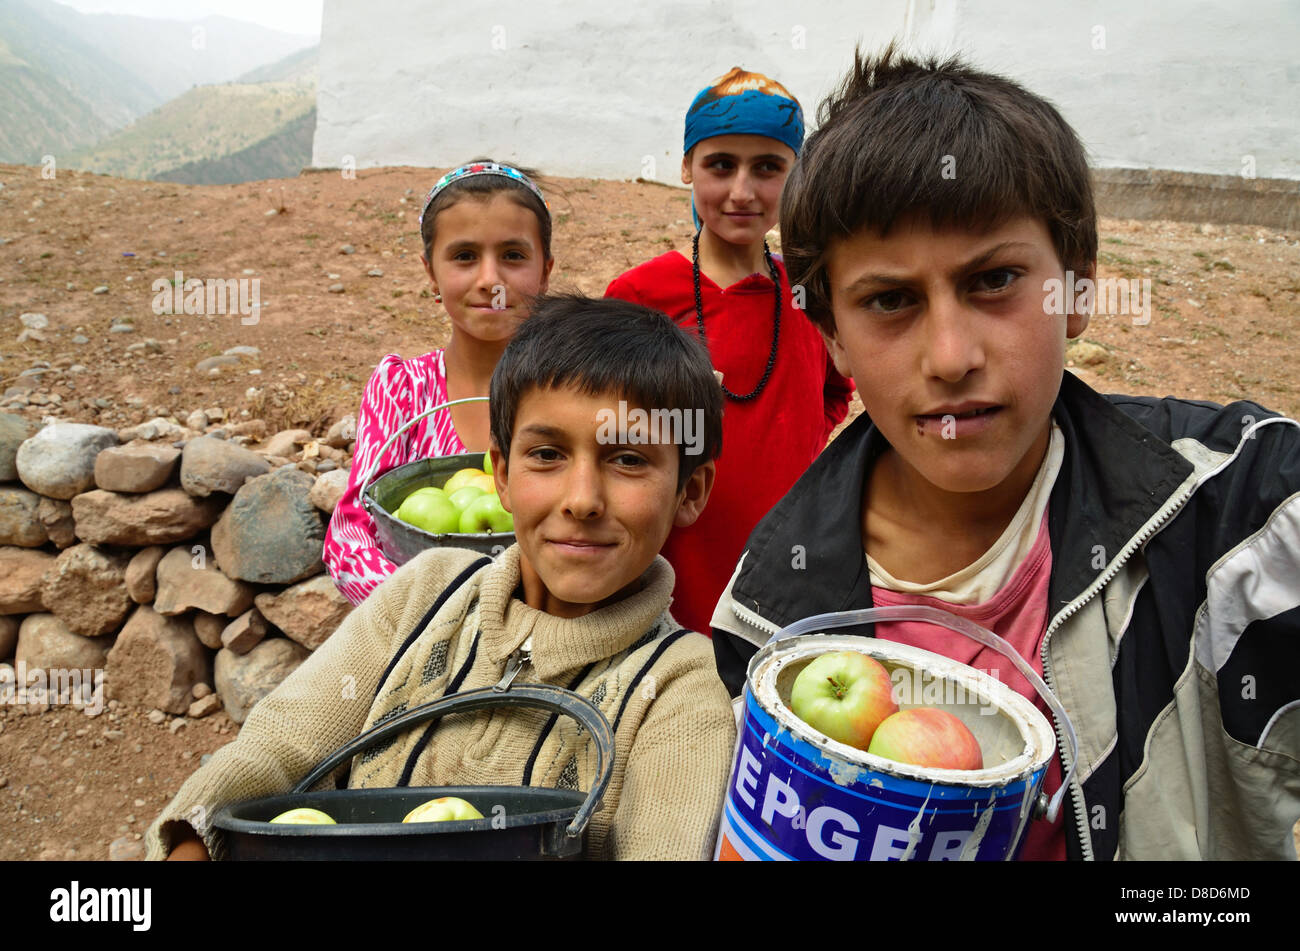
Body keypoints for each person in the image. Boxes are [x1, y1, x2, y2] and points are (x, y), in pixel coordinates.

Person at [709, 44, 1300, 860]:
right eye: (889, 300)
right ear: (834, 339)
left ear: (1078, 288)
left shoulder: (1233, 514)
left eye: (992, 281)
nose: (950, 355)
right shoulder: (771, 613)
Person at [149, 295, 735, 862]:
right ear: (500, 474)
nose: (582, 500)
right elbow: (281, 745)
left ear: (689, 491)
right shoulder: (428, 590)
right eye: (548, 455)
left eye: (628, 459)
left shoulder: (681, 691)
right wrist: (192, 842)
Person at [605, 67, 854, 635]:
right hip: (679, 553)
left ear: (795, 175)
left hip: (784, 550)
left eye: (768, 167)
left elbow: (834, 388)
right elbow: (608, 424)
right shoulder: (643, 295)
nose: (743, 191)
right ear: (688, 167)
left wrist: (793, 443)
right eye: (721, 165)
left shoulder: (809, 293)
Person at [324, 160, 555, 605]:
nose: (491, 280)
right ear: (430, 271)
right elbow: (350, 538)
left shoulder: (572, 389)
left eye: (513, 255)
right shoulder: (402, 390)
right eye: (465, 256)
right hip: (424, 643)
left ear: (545, 269)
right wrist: (437, 621)